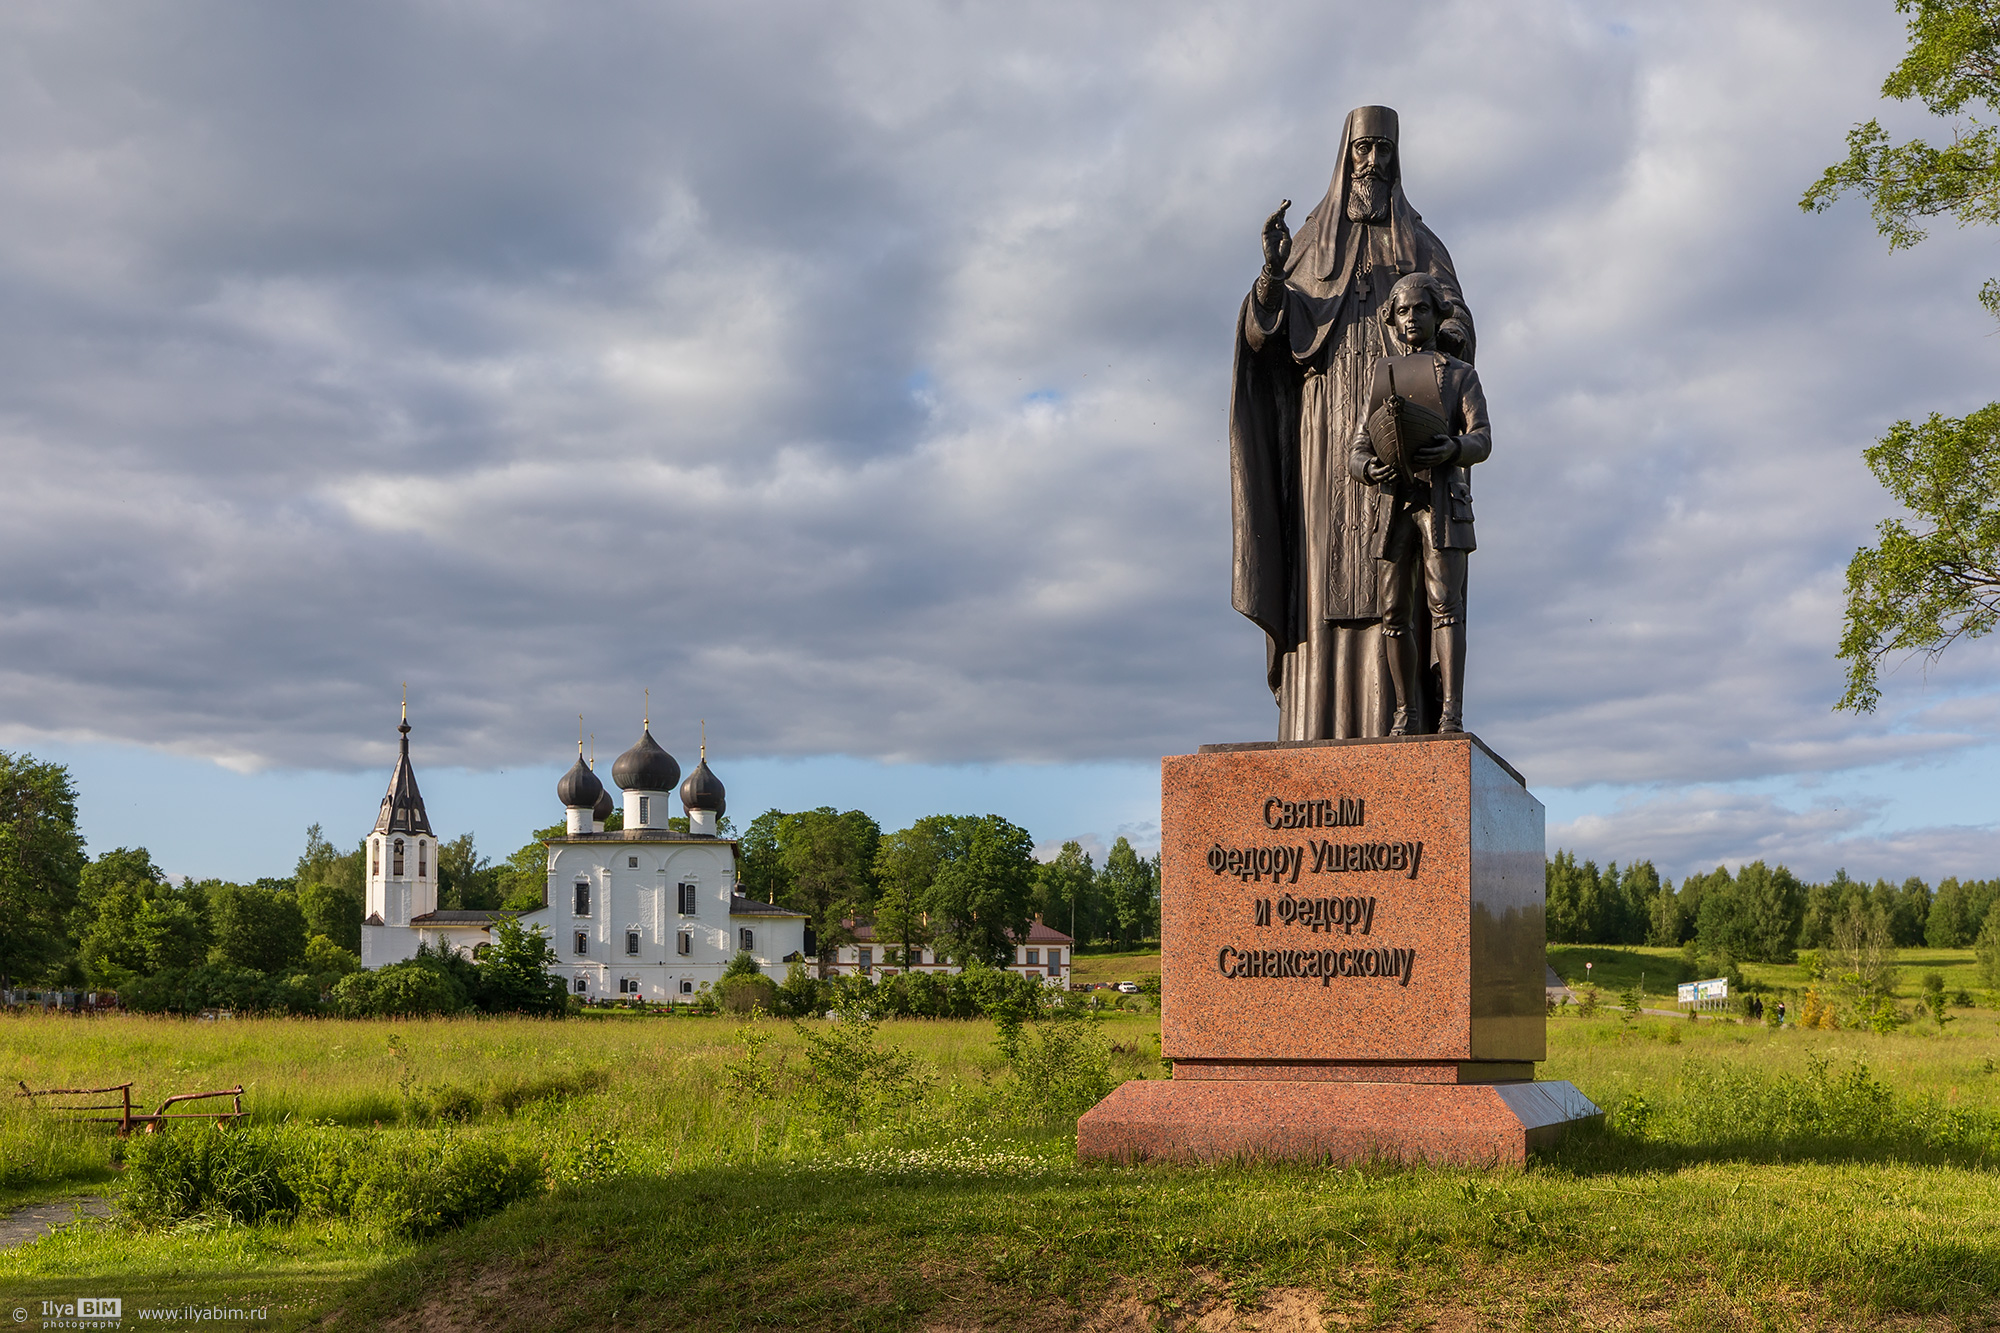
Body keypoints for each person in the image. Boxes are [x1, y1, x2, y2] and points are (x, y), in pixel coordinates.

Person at [1230, 105, 1475, 739]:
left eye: (1385, 151)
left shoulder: (1421, 243)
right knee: (1322, 567)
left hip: (1401, 438)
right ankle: (1316, 721)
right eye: (1363, 149)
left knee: (1401, 583)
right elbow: (1266, 333)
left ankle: (1408, 714)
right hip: (1324, 433)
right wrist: (1269, 277)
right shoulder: (1309, 240)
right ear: (1346, 155)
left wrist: (1436, 333)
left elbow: (1461, 325)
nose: (1373, 162)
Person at [1346, 272, 1488, 734]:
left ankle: (1451, 714)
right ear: (1393, 318)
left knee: (1446, 607)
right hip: (1394, 506)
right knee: (1393, 613)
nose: (1411, 318)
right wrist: (1369, 468)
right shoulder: (1383, 374)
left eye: (1420, 309)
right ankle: (1405, 713)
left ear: (1436, 314)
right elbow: (1359, 447)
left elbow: (1482, 438)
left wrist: (1452, 449)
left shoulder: (1461, 374)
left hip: (1443, 503)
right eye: (1403, 311)